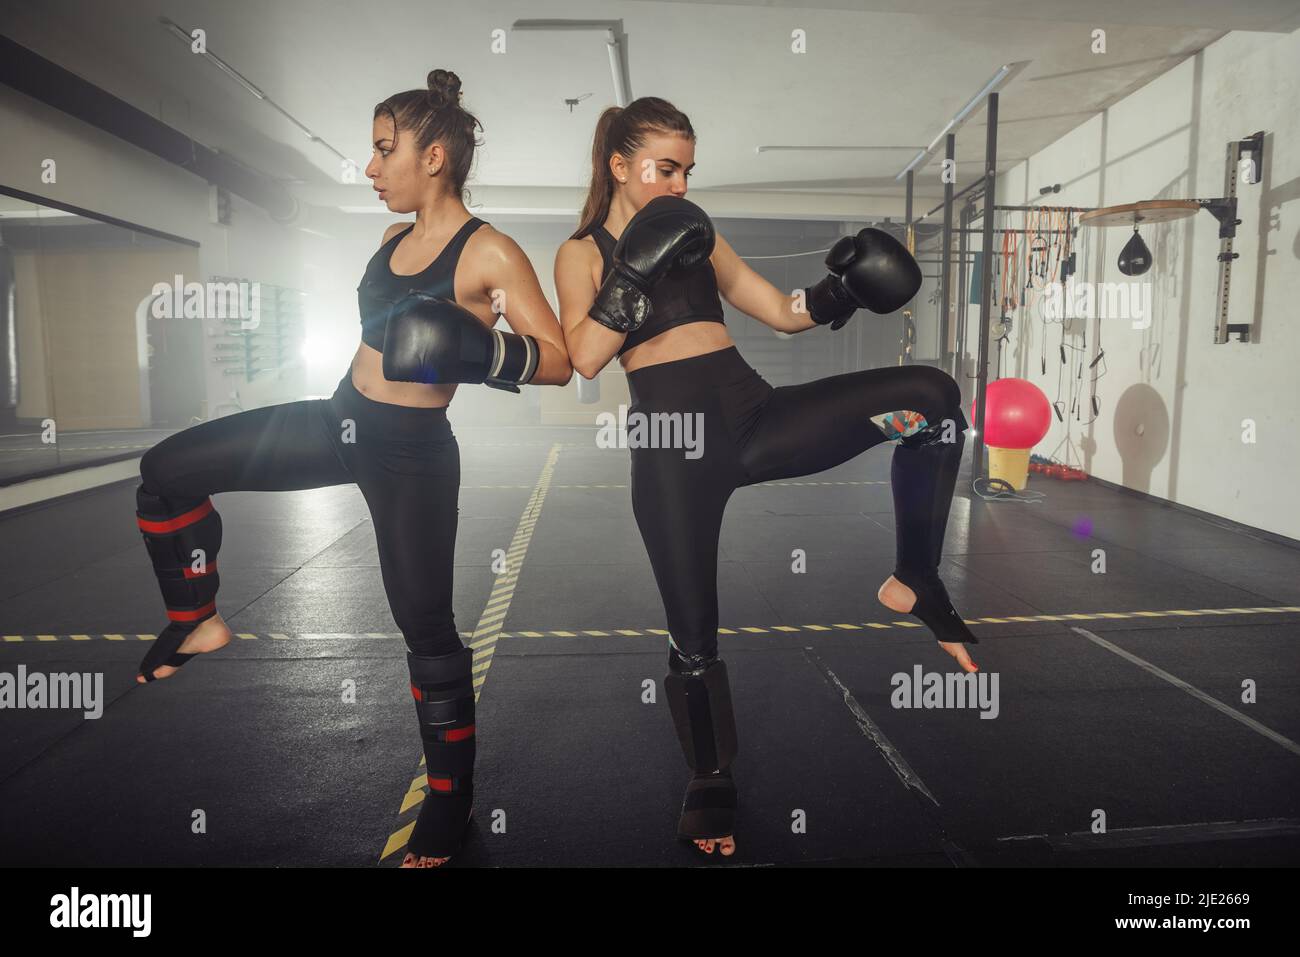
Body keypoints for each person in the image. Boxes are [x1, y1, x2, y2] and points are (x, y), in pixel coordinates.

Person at [133, 69, 571, 868]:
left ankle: (450, 800)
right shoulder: (389, 239)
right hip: (337, 419)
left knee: (427, 628)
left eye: (382, 150)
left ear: (432, 156)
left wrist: (480, 349)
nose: (370, 169)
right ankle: (198, 615)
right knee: (165, 469)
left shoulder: (493, 251)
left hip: (413, 453)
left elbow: (562, 363)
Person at [553, 97, 978, 860]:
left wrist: (840, 290)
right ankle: (710, 777)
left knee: (934, 401)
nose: (681, 183)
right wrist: (633, 267)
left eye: (688, 169)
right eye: (666, 168)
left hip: (756, 416)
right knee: (693, 640)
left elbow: (780, 313)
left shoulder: (698, 231)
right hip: (669, 446)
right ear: (620, 166)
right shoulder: (581, 251)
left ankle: (916, 574)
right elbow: (583, 356)